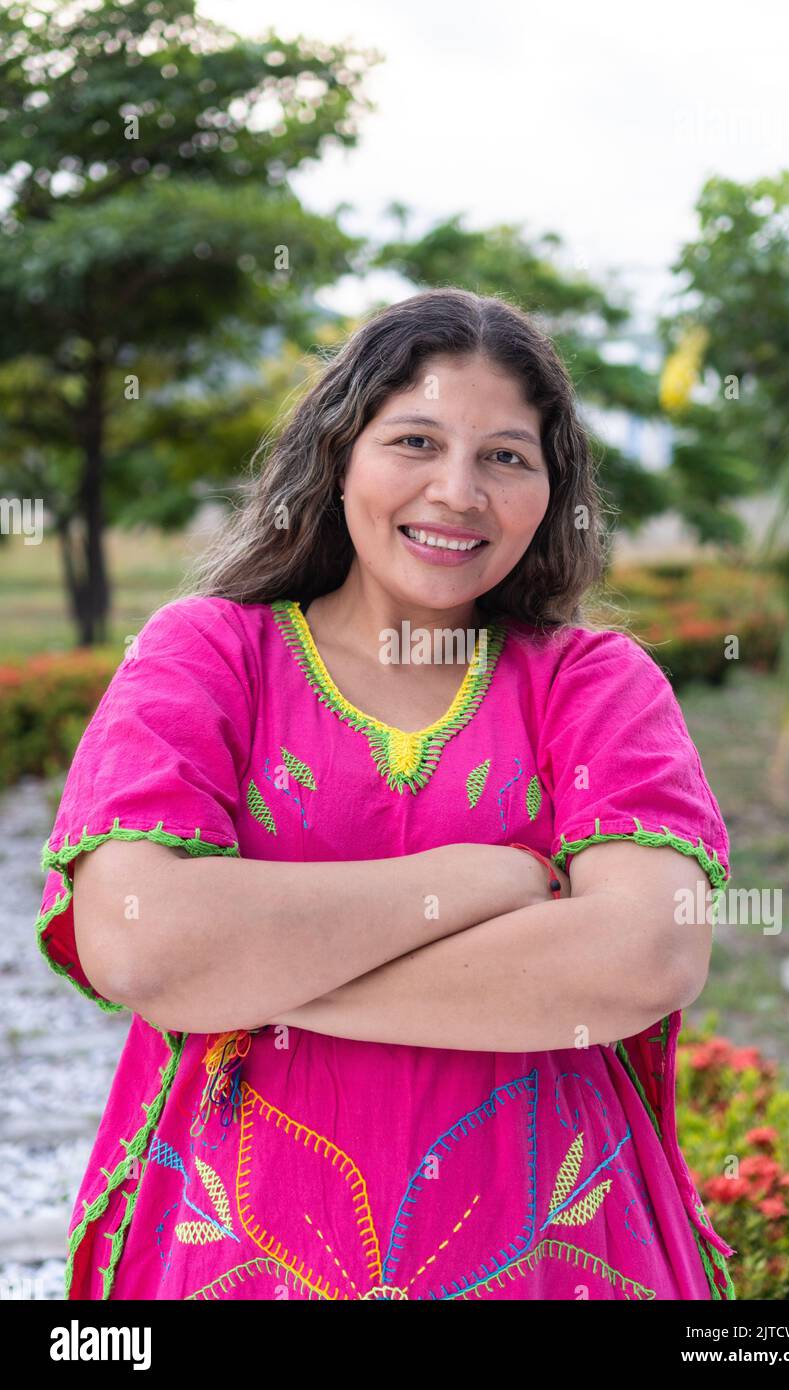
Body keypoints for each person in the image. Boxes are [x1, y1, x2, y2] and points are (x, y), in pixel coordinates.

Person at [35, 287, 736, 1301]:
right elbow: (145, 942)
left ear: (551, 492)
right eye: (415, 441)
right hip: (239, 1248)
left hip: (556, 1255)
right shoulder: (206, 656)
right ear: (338, 455)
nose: (458, 491)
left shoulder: (593, 684)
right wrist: (484, 879)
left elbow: (645, 954)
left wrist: (247, 978)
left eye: (506, 456)